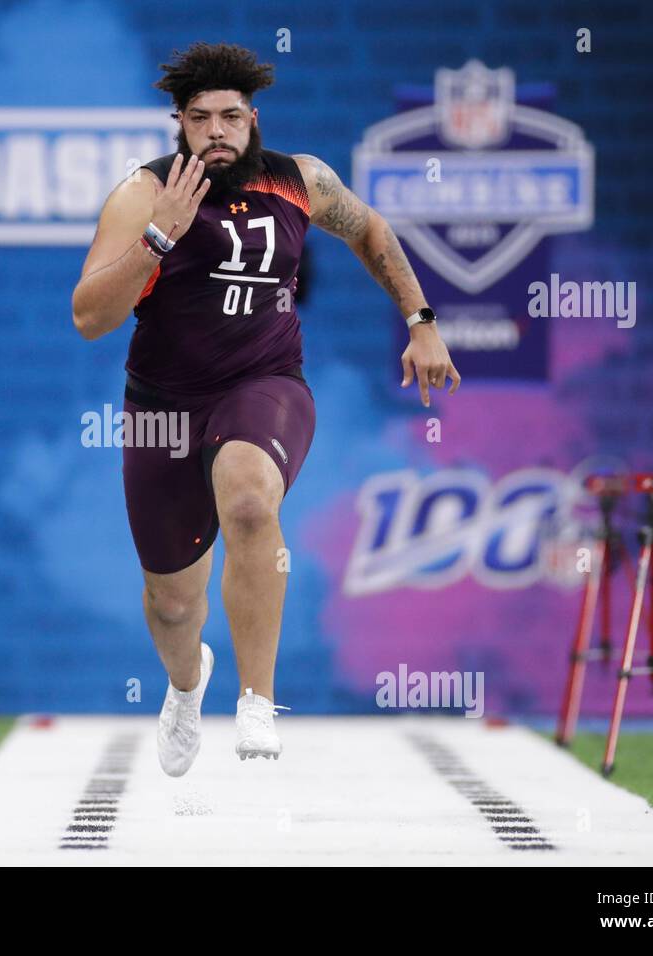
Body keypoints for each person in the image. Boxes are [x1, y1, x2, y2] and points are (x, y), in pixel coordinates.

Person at [71, 42, 460, 774]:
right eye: (199, 119)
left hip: (266, 382)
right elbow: (89, 316)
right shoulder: (141, 195)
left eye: (230, 117)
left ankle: (257, 699)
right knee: (173, 605)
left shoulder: (301, 179)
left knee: (250, 502)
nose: (216, 131)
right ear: (178, 125)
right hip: (163, 405)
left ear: (253, 119)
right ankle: (187, 688)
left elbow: (372, 229)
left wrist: (421, 319)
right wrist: (159, 239)